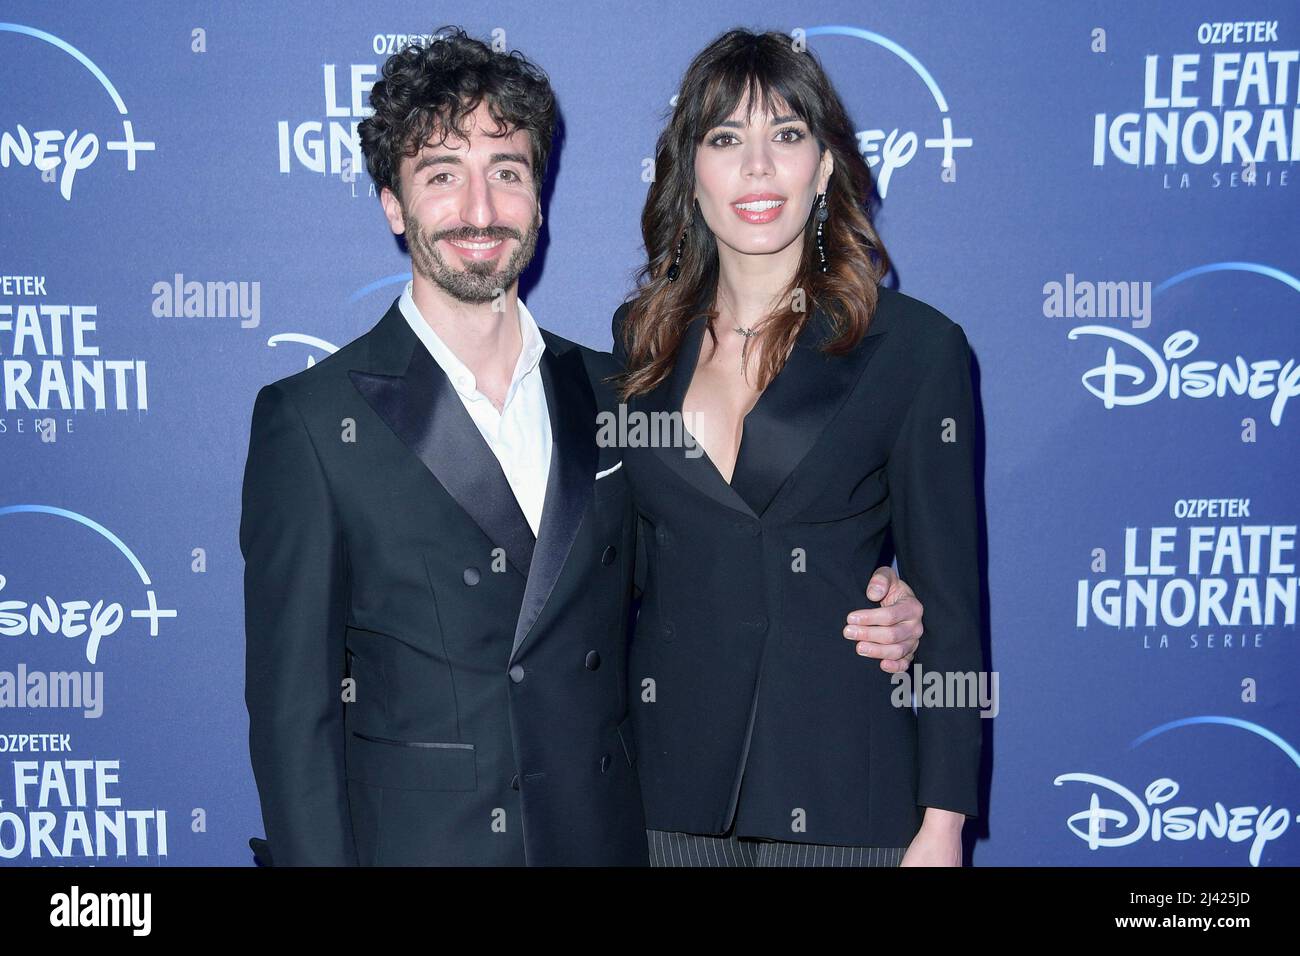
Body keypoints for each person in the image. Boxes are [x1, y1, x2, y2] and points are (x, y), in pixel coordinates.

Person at [240, 26, 926, 866]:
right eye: (441, 176)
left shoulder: (614, 389)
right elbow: (292, 717)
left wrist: (883, 601)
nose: (480, 211)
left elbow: (711, 563)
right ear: (393, 203)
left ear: (540, 194)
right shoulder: (310, 421)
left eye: (507, 173)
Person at [611, 29, 985, 866]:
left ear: (823, 170)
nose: (756, 169)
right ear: (690, 174)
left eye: (786, 135)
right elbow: (618, 567)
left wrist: (944, 824)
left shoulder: (915, 349)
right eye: (724, 138)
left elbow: (952, 610)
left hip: (848, 796)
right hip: (665, 804)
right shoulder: (640, 346)